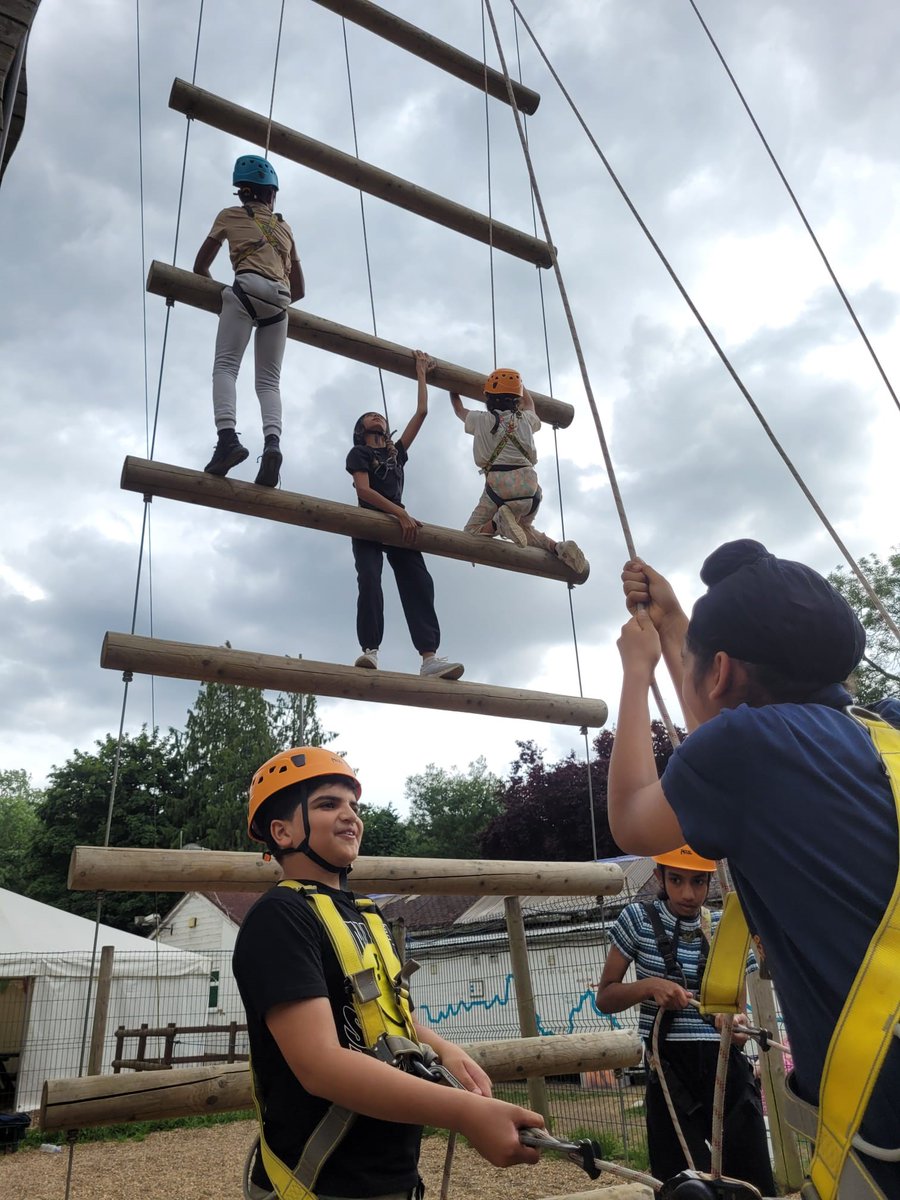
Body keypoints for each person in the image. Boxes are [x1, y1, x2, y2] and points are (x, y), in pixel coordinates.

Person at [608, 539, 900, 1197]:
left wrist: (637, 671)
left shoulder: (744, 751)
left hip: (884, 1126)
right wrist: (682, 620)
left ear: (718, 673)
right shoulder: (885, 733)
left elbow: (633, 815)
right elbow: (729, 724)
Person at [233, 747, 543, 1200]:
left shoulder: (363, 915)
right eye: (327, 804)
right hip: (321, 1181)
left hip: (388, 1175)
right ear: (281, 831)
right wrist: (464, 1113)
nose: (349, 816)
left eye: (353, 806)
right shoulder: (280, 919)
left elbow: (380, 1012)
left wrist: (441, 1048)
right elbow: (320, 1065)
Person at [595, 845, 775, 1192]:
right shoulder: (637, 920)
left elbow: (738, 1007)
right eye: (676, 880)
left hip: (724, 1064)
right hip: (668, 1067)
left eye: (698, 882)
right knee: (679, 1180)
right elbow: (606, 997)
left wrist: (734, 1025)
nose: (688, 894)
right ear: (659, 876)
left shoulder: (724, 927)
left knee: (751, 1175)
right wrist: (650, 986)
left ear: (710, 882)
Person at [346, 350, 463, 678]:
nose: (377, 417)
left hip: (400, 524)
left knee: (419, 583)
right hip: (370, 520)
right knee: (370, 579)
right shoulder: (360, 452)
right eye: (370, 416)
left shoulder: (396, 453)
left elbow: (422, 412)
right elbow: (363, 491)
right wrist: (401, 513)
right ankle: (370, 650)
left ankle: (429, 658)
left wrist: (420, 371)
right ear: (361, 429)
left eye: (380, 416)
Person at [193, 154, 304, 487]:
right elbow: (299, 288)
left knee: (226, 367)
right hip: (281, 303)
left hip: (246, 287)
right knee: (269, 383)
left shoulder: (229, 215)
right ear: (271, 194)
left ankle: (227, 437)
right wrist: (271, 301)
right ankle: (272, 443)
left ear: (242, 192)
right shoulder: (285, 227)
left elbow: (200, 265)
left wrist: (230, 305)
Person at [449, 370, 587, 574]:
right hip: (531, 492)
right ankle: (558, 548)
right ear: (517, 398)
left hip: (500, 488)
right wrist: (520, 386)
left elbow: (459, 409)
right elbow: (530, 404)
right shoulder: (526, 419)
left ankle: (498, 524)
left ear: (488, 398)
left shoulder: (480, 420)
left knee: (471, 534)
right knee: (524, 530)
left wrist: (453, 389)